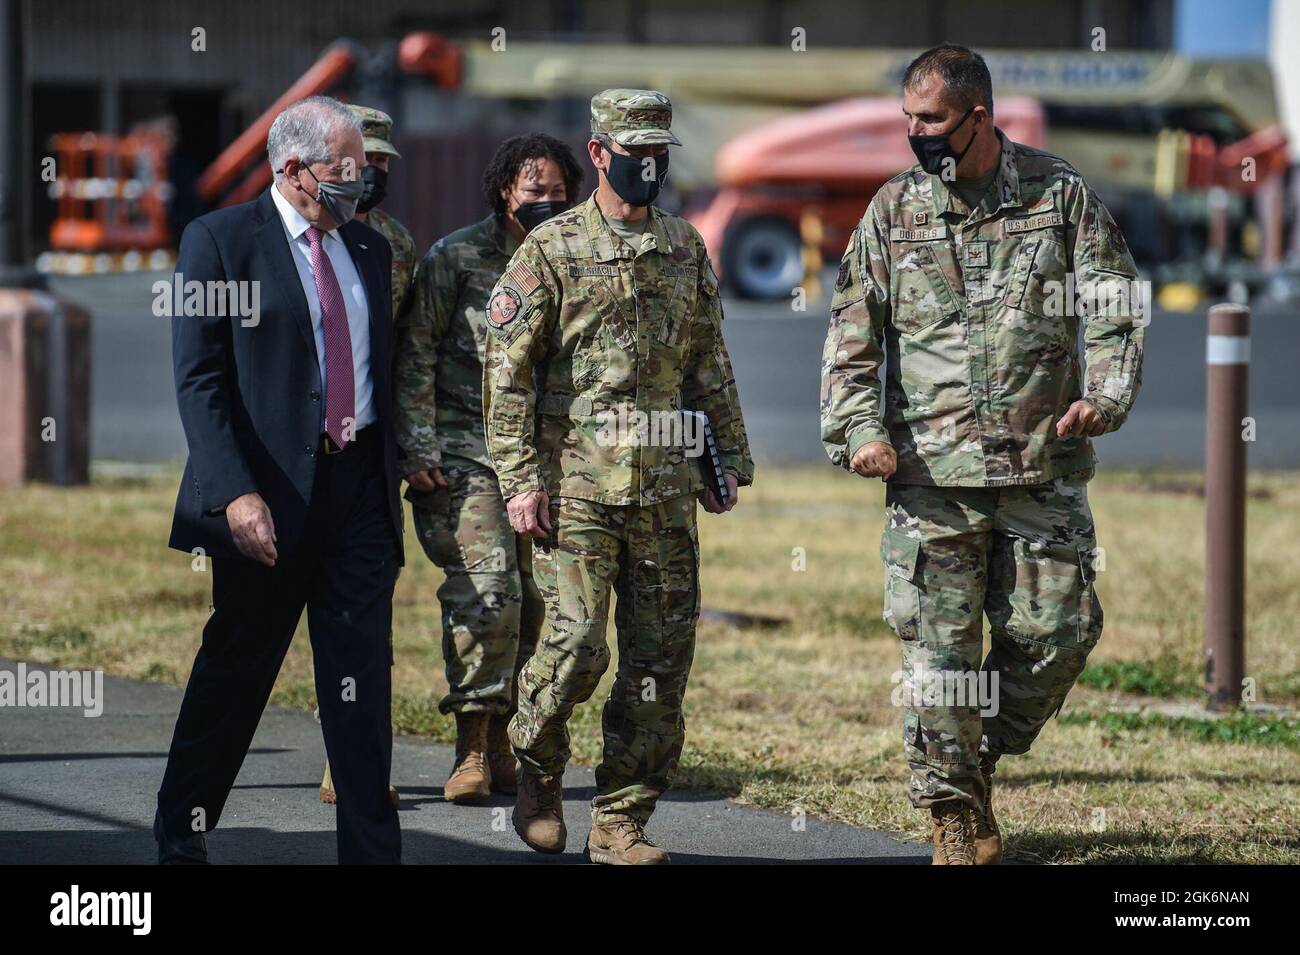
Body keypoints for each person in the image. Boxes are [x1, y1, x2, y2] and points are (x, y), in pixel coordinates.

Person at [820, 45, 1145, 864]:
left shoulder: (1057, 194)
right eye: (908, 118)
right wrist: (858, 430)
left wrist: (1105, 394)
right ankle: (953, 807)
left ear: (978, 117)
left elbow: (1112, 302)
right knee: (941, 649)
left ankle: (972, 750)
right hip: (931, 476)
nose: (914, 133)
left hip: (1043, 462)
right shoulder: (893, 212)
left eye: (930, 120)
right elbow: (852, 339)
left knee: (1061, 632)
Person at [482, 89, 753, 864]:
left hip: (665, 490)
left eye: (659, 154)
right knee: (574, 647)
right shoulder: (551, 248)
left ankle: (621, 818)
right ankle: (536, 762)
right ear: (598, 153)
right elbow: (507, 373)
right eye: (633, 154)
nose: (648, 167)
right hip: (577, 488)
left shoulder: (684, 247)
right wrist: (518, 478)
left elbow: (707, 363)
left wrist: (724, 458)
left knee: (659, 659)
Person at [156, 95, 403, 864]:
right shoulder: (220, 242)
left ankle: (371, 854)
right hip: (266, 500)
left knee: (360, 691)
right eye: (344, 173)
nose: (358, 188)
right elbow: (200, 381)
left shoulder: (369, 251)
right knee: (235, 674)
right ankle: (181, 832)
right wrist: (232, 491)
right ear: (293, 170)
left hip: (358, 495)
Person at [393, 133, 583, 803]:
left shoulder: (575, 258)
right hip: (464, 451)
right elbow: (415, 353)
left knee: (539, 606)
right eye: (535, 192)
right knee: (489, 588)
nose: (547, 203)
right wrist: (417, 448)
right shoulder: (456, 258)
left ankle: (506, 741)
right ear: (505, 190)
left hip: (545, 460)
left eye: (559, 194)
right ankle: (470, 746)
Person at [313, 103, 415, 809]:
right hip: (306, 456)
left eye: (382, 163)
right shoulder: (301, 234)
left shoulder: (396, 245)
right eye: (362, 161)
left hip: (372, 451)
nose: (373, 173)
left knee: (366, 617)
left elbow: (407, 354)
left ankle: (357, 760)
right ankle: (332, 745)